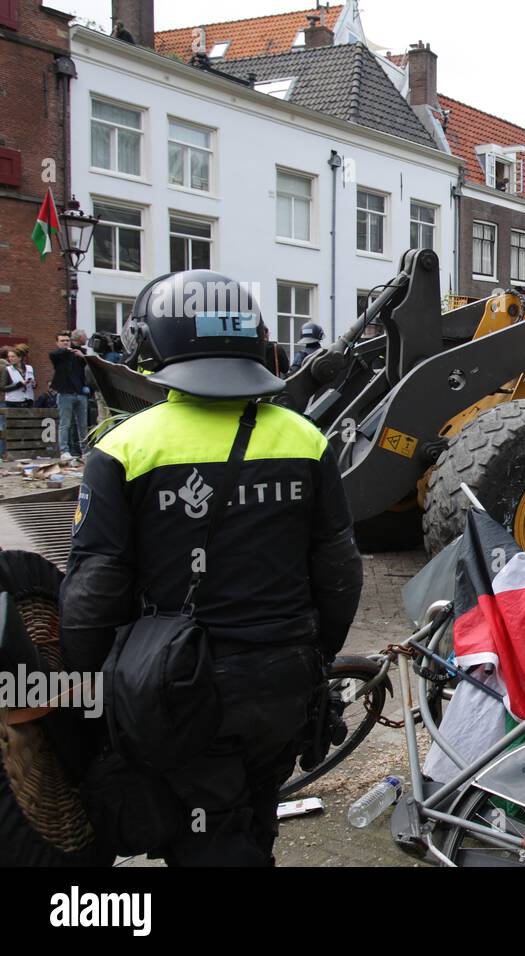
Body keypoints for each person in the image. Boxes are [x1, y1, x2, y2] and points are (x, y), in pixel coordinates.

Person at [60, 269, 364, 866]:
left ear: (153, 348)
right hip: (284, 684)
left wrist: (88, 695)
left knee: (205, 838)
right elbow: (340, 571)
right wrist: (313, 656)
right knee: (256, 815)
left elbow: (93, 592)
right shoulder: (306, 440)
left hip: (177, 690)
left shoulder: (124, 447)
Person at [49, 330, 90, 462]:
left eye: (67, 340)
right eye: (62, 341)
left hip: (80, 393)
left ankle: (85, 451)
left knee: (83, 424)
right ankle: (64, 451)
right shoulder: (58, 355)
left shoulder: (79, 353)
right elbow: (53, 355)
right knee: (65, 424)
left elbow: (90, 364)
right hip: (65, 393)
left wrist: (81, 356)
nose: (65, 343)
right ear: (57, 343)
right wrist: (67, 350)